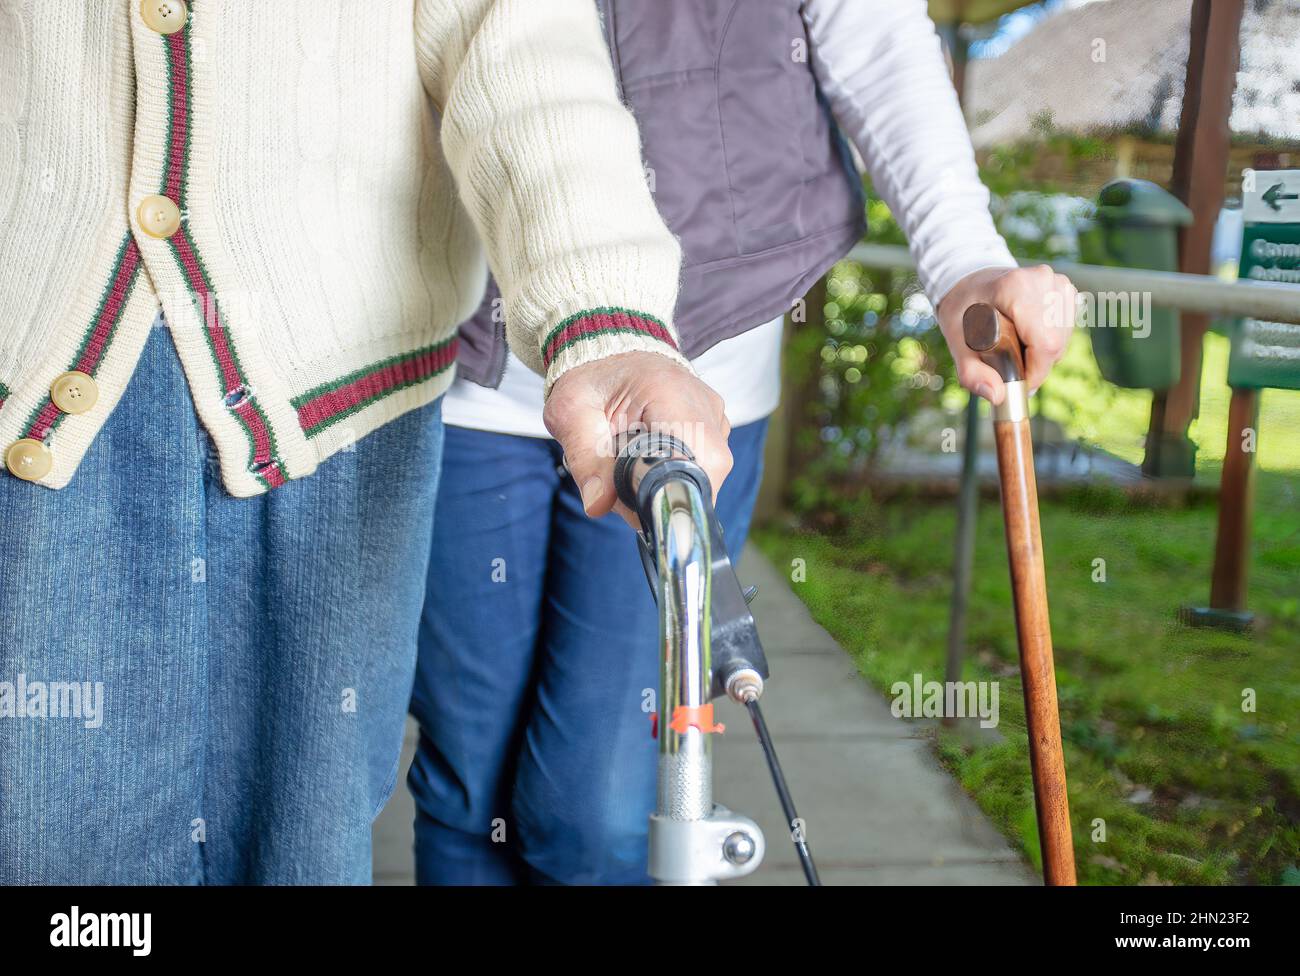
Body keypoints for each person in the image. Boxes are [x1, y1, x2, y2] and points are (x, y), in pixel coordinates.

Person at [0, 0, 732, 884]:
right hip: (28, 381)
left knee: (303, 841)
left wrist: (608, 319)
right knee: (47, 853)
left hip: (332, 405)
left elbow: (514, 42)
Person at [408, 0, 1079, 884]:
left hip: (692, 374)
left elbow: (873, 35)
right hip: (467, 366)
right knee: (466, 784)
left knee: (596, 814)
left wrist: (963, 259)